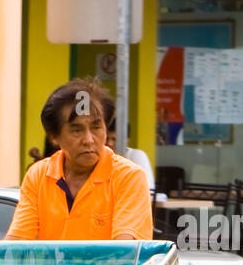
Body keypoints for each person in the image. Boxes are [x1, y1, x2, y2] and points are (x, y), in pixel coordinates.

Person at [8, 79, 152, 241]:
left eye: (96, 127)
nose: (89, 139)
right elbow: (16, 243)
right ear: (54, 137)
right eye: (77, 130)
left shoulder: (128, 176)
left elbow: (125, 252)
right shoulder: (39, 175)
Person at [105, 100, 155, 197]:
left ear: (126, 140)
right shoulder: (98, 157)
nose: (109, 143)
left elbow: (148, 188)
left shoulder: (136, 156)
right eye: (107, 138)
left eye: (114, 139)